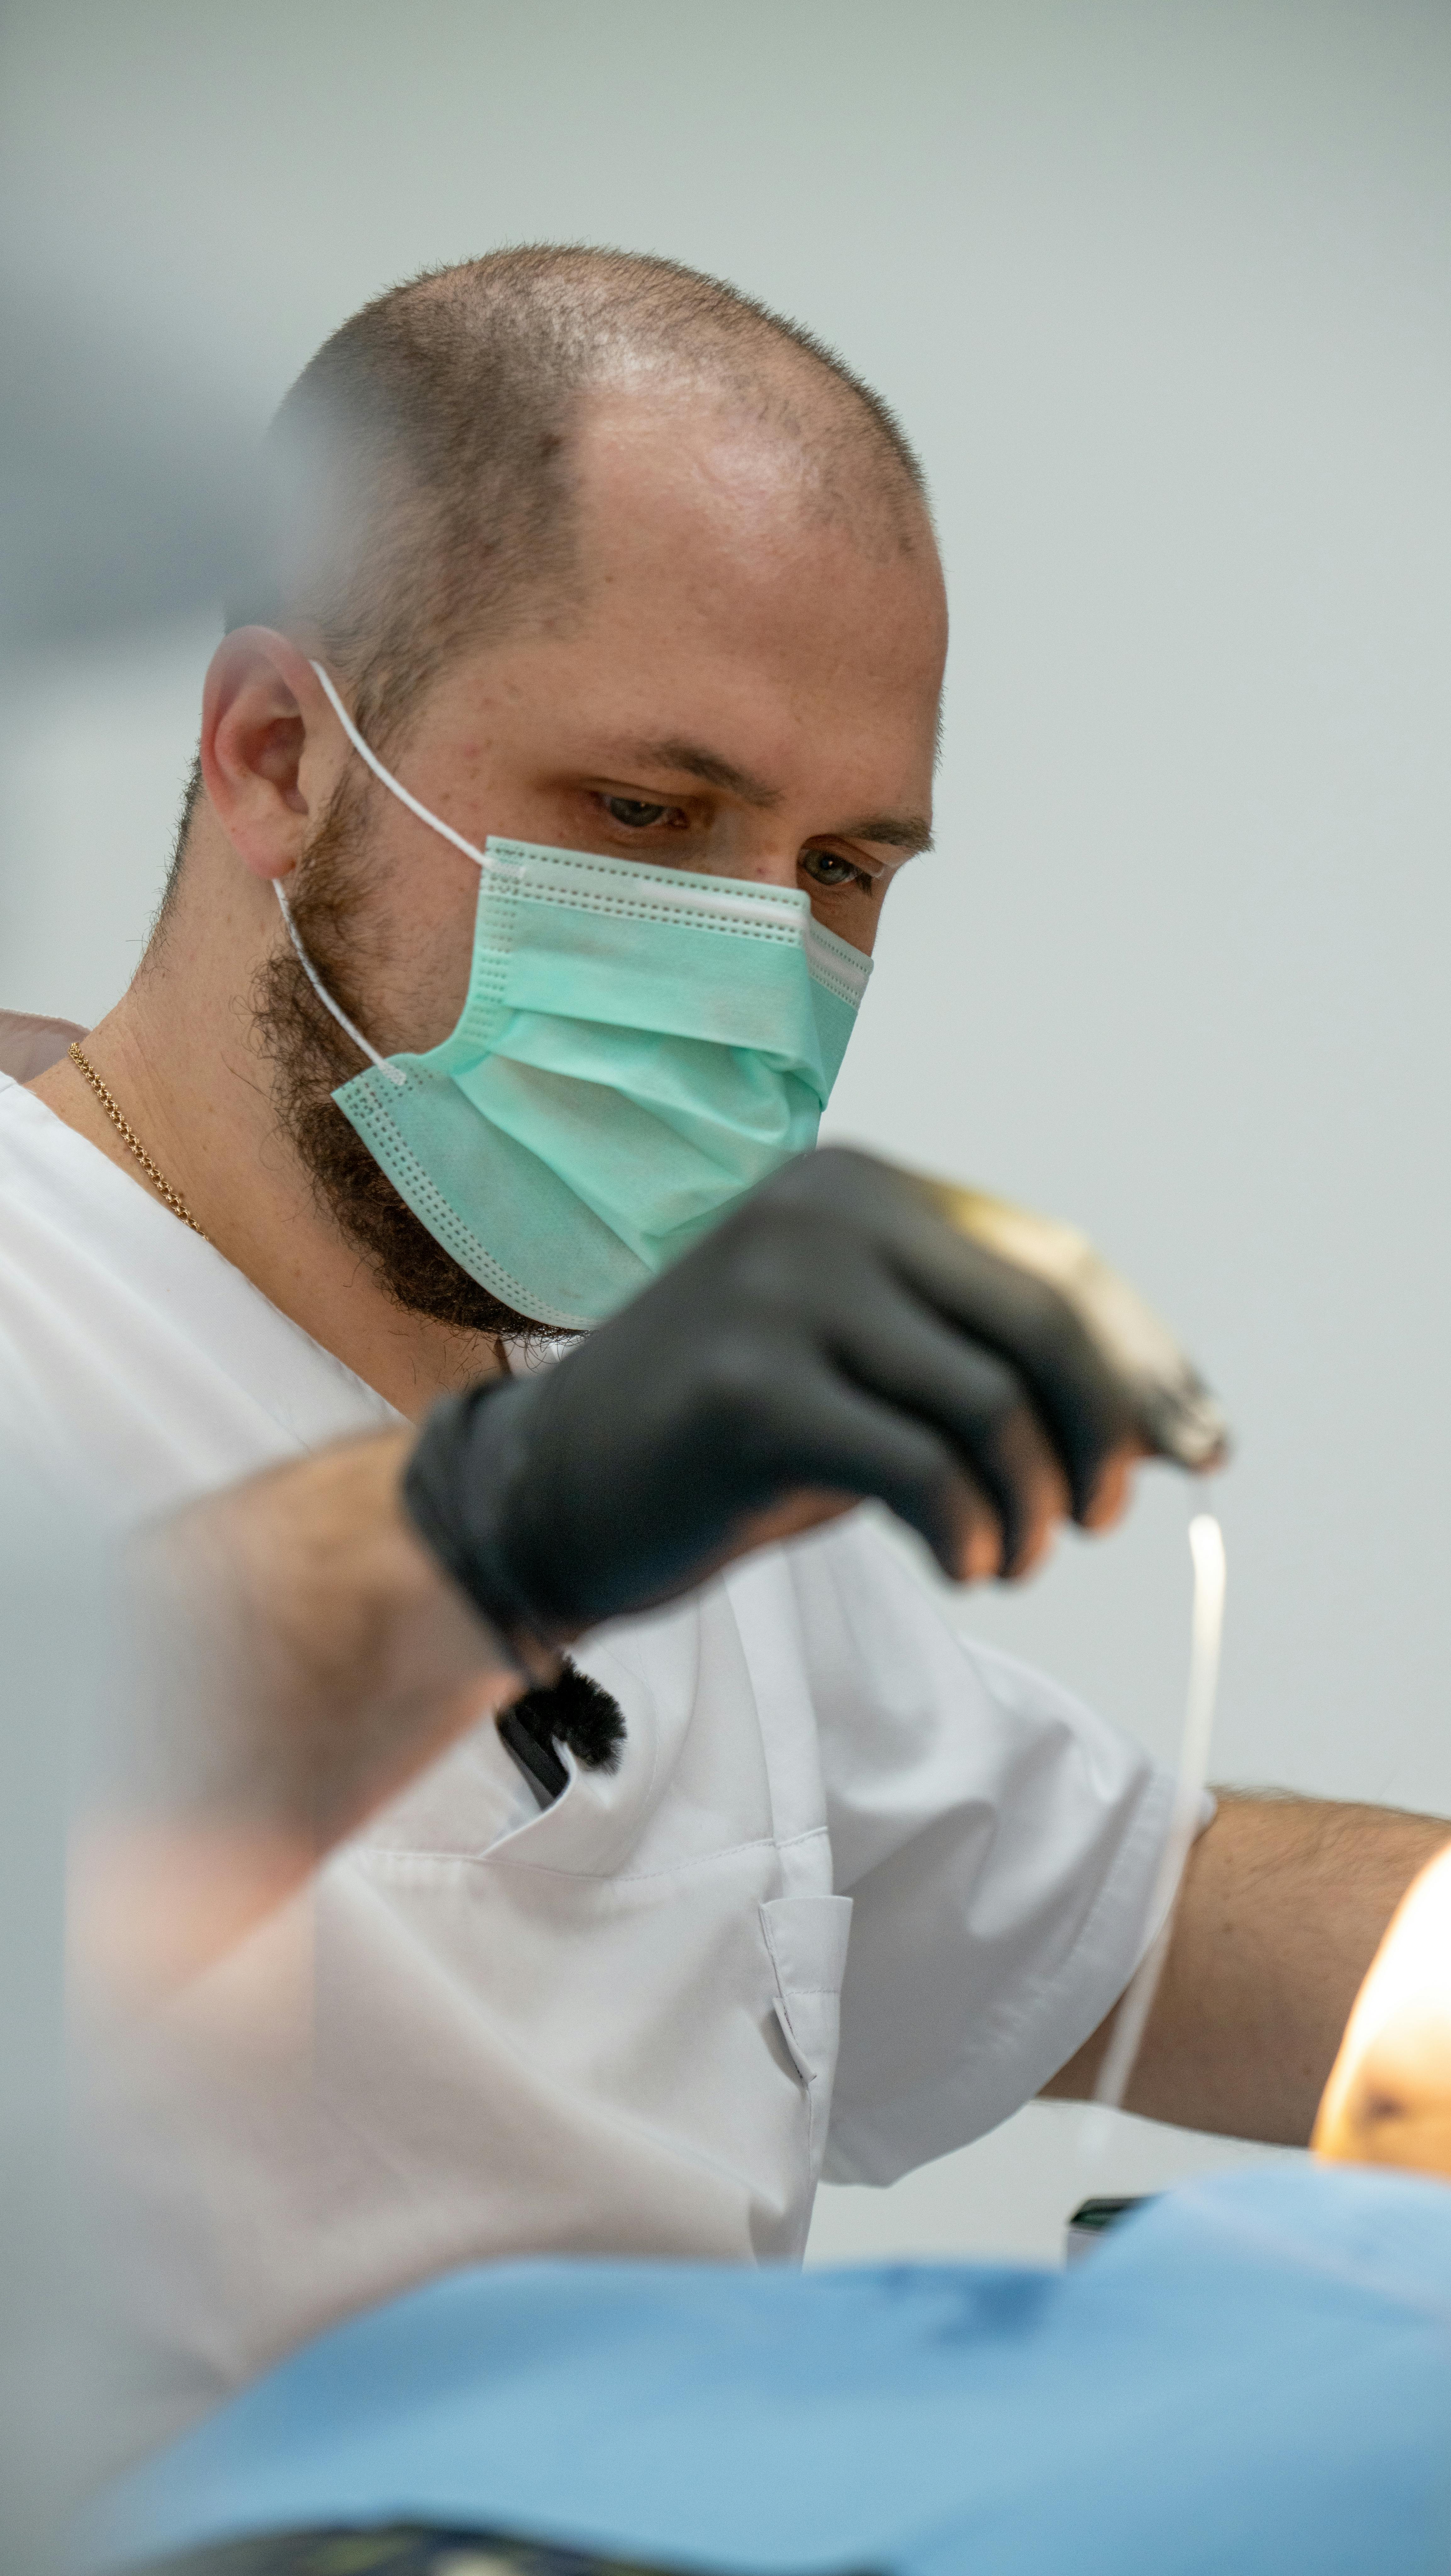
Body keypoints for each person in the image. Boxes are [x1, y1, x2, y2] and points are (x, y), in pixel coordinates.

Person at [3, 248, 1443, 2446]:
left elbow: (1138, 1922)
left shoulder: (633, 1426)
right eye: (647, 820)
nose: (750, 963)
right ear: (274, 752)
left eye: (845, 867)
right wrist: (497, 1535)